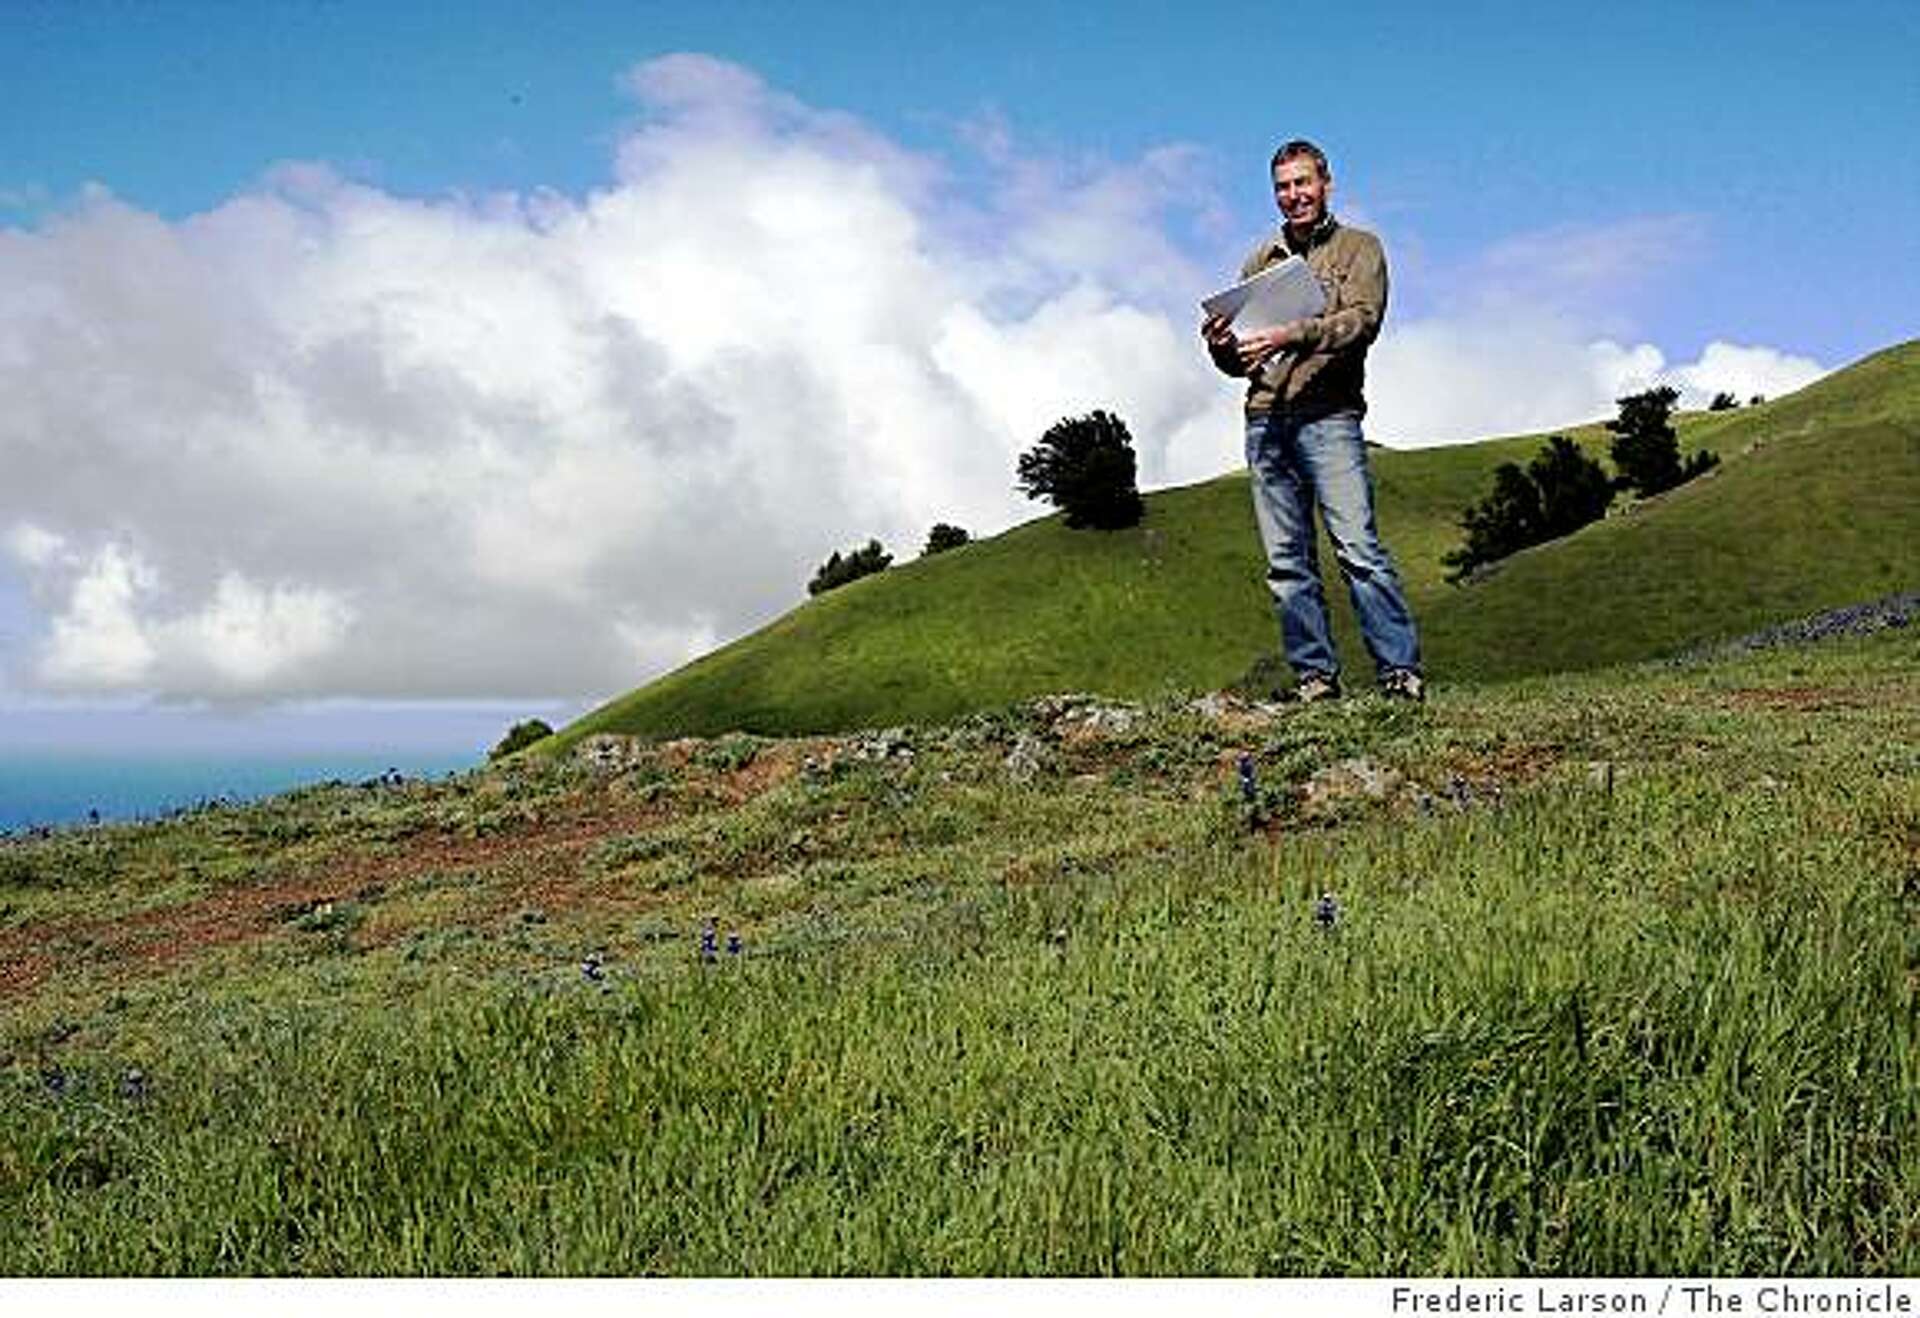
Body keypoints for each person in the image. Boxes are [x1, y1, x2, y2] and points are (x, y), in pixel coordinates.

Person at [1202, 138, 1424, 702]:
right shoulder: (1260, 262)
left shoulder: (1359, 248)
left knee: (1357, 548)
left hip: (1330, 415)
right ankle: (1315, 679)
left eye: (1303, 183)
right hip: (1266, 419)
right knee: (1285, 562)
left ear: (1326, 184)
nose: (1294, 195)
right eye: (1283, 186)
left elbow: (1361, 323)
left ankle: (1399, 673)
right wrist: (1222, 345)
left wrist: (1294, 332)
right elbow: (1240, 363)